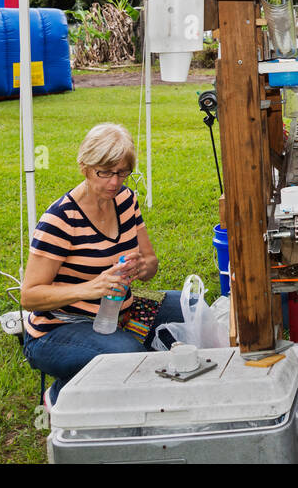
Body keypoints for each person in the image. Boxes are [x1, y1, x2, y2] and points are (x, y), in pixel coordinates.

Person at [21, 123, 183, 409]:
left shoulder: (126, 200)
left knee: (188, 306)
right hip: (59, 329)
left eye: (122, 172)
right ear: (84, 167)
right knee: (130, 358)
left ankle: (117, 367)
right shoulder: (60, 220)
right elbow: (30, 295)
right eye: (104, 172)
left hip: (120, 314)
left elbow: (151, 263)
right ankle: (63, 392)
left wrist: (143, 268)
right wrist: (93, 287)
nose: (114, 182)